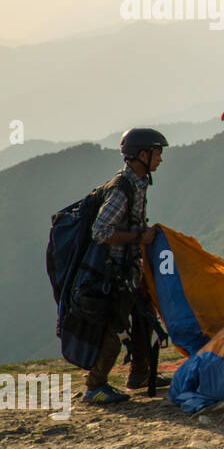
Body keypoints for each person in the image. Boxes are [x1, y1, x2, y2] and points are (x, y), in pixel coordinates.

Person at [84, 128, 169, 404]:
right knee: (115, 325)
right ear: (141, 154)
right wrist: (138, 237)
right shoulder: (122, 190)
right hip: (115, 273)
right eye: (157, 153)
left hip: (131, 271)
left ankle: (140, 374)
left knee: (144, 317)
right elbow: (100, 231)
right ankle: (95, 386)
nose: (160, 159)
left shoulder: (139, 184)